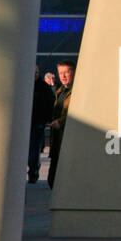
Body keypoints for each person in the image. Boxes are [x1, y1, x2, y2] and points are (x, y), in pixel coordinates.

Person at [47, 59, 75, 188]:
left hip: (67, 137)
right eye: (60, 73)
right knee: (53, 174)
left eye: (66, 73)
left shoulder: (76, 92)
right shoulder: (60, 91)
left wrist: (61, 122)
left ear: (74, 72)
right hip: (57, 136)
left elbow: (75, 113)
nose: (63, 76)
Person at [28, 64, 55, 183]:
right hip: (26, 122)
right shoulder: (24, 85)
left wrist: (47, 119)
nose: (35, 75)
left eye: (37, 73)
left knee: (34, 150)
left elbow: (50, 103)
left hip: (37, 122)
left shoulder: (44, 87)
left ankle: (33, 172)